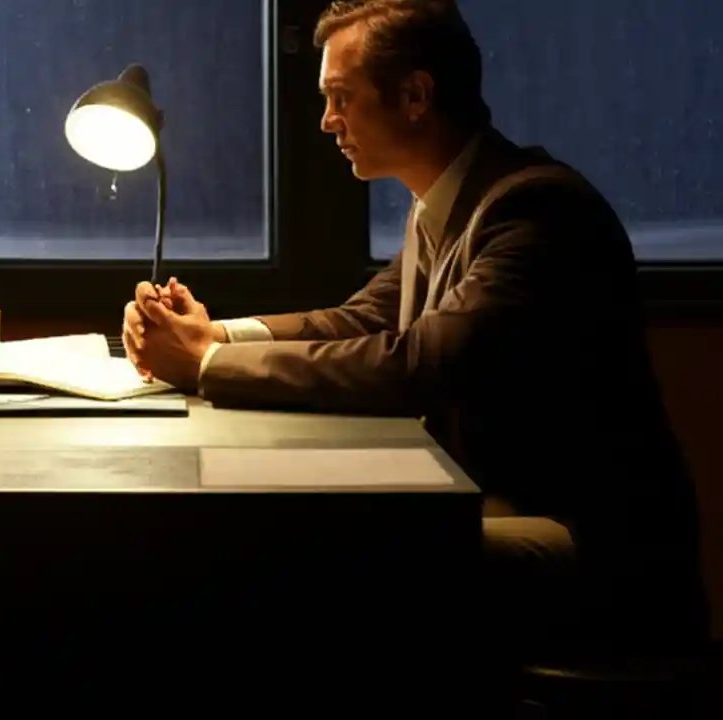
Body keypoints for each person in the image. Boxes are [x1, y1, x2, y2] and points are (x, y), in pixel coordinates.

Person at [123, 0, 707, 700]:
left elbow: (421, 365)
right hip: (503, 504)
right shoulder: (448, 204)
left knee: (316, 556)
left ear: (416, 96)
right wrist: (214, 333)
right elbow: (360, 318)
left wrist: (206, 366)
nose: (325, 122)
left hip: (593, 552)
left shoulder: (536, 212)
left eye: (340, 98)